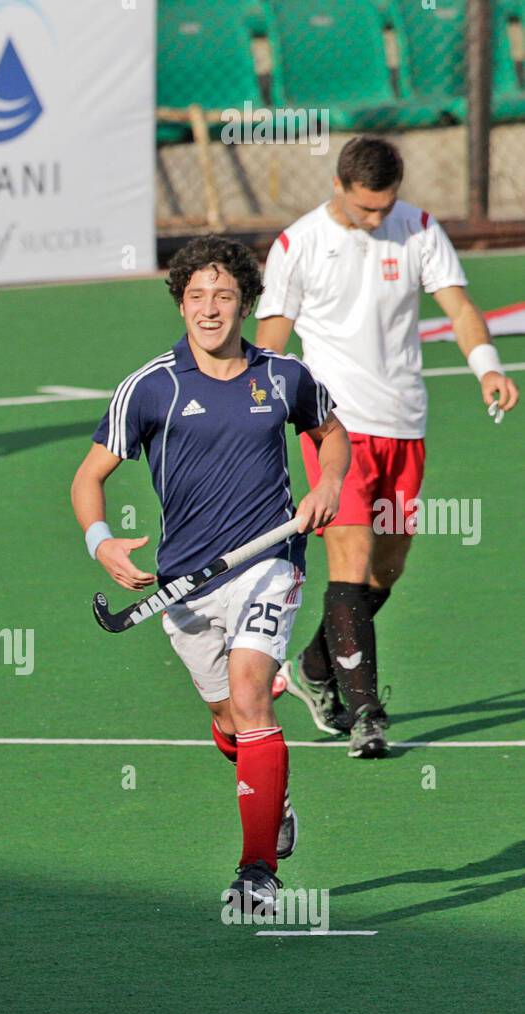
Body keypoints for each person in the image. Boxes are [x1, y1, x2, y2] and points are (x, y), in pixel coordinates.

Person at [72, 236, 348, 909]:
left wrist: (328, 483)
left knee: (252, 695)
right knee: (226, 718)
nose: (209, 308)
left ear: (246, 304)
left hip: (269, 562)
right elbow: (88, 477)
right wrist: (100, 541)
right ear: (180, 303)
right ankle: (269, 795)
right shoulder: (149, 388)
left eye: (223, 296)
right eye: (196, 295)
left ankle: (256, 871)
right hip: (184, 583)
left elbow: (329, 434)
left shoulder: (284, 376)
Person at [256, 135, 518, 757]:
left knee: (387, 568)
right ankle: (367, 712)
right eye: (365, 208)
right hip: (336, 429)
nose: (377, 220)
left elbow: (457, 307)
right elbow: (272, 335)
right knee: (348, 556)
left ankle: (314, 669)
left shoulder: (419, 228)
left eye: (385, 207)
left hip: (405, 425)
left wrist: (486, 366)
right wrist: (260, 408)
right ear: (340, 187)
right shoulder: (298, 244)